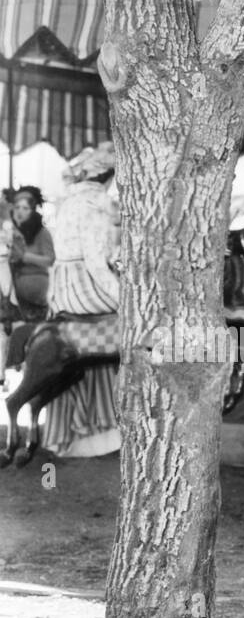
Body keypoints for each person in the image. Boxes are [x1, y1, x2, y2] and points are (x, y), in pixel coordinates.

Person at [44, 145, 123, 458]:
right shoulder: (96, 203)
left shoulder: (69, 202)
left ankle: (83, 430)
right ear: (107, 176)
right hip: (85, 287)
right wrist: (123, 295)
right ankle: (112, 424)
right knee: (143, 319)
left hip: (63, 287)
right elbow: (95, 261)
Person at [7, 186, 55, 321]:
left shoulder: (42, 232)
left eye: (25, 208)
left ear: (32, 211)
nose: (20, 212)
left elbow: (50, 259)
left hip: (35, 291)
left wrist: (24, 257)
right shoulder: (13, 232)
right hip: (15, 291)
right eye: (17, 207)